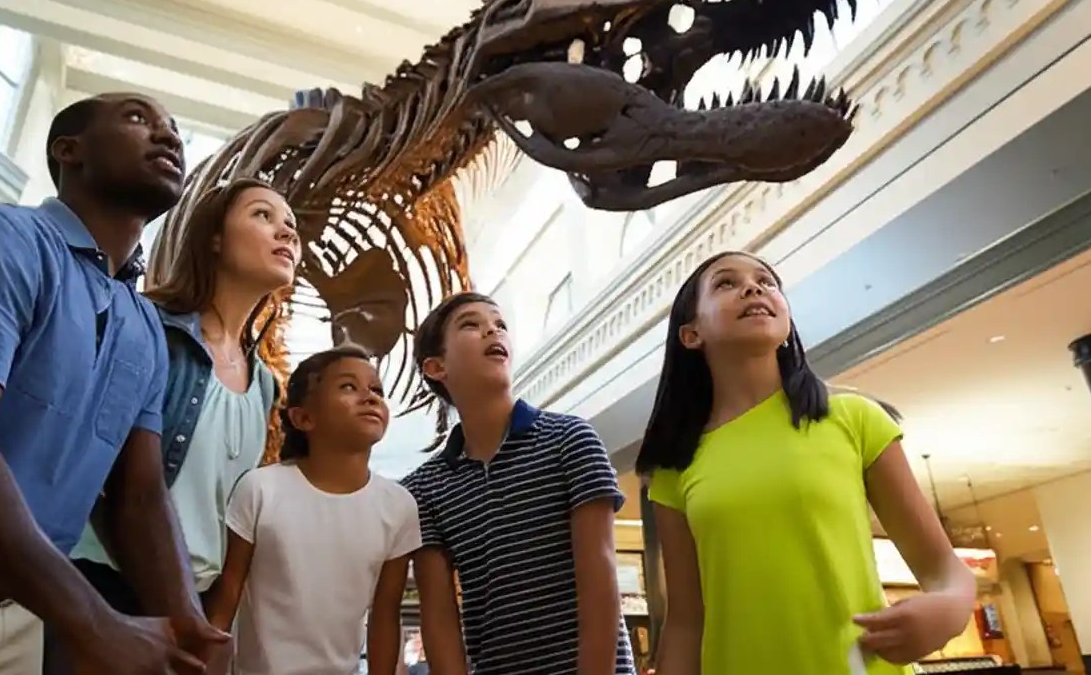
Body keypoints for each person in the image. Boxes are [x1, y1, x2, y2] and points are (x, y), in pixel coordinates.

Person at [0, 93, 226, 674]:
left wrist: (187, 620)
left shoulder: (142, 324)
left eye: (175, 130)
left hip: (23, 613)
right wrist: (93, 622)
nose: (169, 138)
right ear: (69, 150)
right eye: (139, 119)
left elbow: (138, 496)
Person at [635, 251, 976, 675]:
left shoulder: (854, 418)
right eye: (726, 283)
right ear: (691, 335)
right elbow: (687, 623)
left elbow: (947, 572)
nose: (754, 287)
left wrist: (947, 609)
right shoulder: (675, 467)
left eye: (767, 281)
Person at [65, 179, 298, 612]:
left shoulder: (264, 384)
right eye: (263, 215)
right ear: (213, 237)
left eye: (290, 224)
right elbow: (98, 475)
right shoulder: (147, 327)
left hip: (194, 601)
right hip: (108, 587)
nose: (287, 232)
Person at [400, 292, 635, 675]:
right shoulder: (424, 487)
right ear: (436, 367)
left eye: (499, 324)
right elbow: (439, 616)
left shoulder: (570, 439)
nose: (492, 329)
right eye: (471, 325)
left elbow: (600, 574)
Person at [203, 346, 422, 675]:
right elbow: (228, 595)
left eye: (376, 390)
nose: (370, 397)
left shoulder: (398, 506)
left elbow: (385, 617)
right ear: (303, 417)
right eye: (349, 386)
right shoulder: (260, 489)